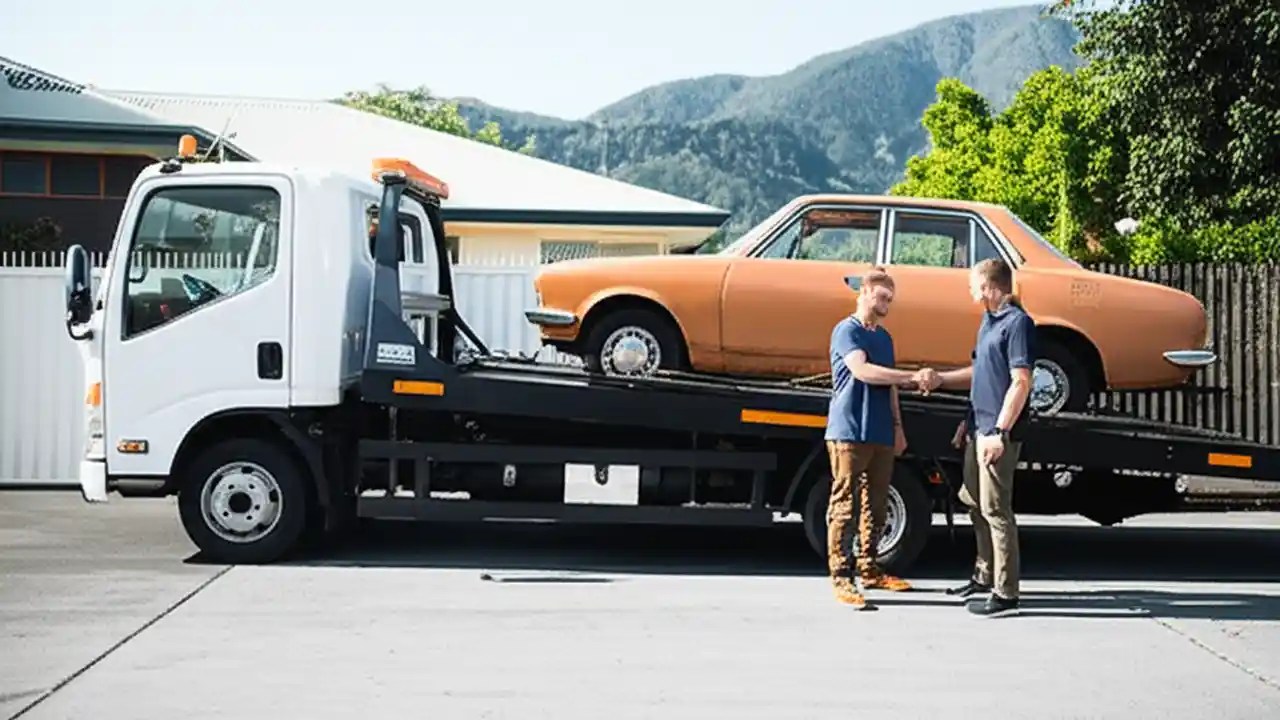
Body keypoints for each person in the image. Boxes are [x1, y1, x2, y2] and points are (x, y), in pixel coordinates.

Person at [914, 258, 1035, 617]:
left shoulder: (1018, 324)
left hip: (997, 434)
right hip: (977, 428)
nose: (969, 290)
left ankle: (1006, 592)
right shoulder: (988, 322)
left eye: (972, 284)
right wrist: (946, 388)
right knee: (974, 502)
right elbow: (980, 373)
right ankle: (983, 576)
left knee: (997, 510)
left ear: (989, 287)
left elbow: (1021, 381)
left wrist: (1000, 431)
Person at [824, 267, 920, 609]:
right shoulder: (845, 331)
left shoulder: (885, 337)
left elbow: (889, 385)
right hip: (849, 430)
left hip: (879, 431)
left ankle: (870, 568)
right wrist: (911, 376)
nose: (886, 304)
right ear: (863, 293)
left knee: (876, 506)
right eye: (881, 297)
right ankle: (841, 576)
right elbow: (862, 370)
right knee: (844, 504)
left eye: (890, 299)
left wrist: (897, 427)